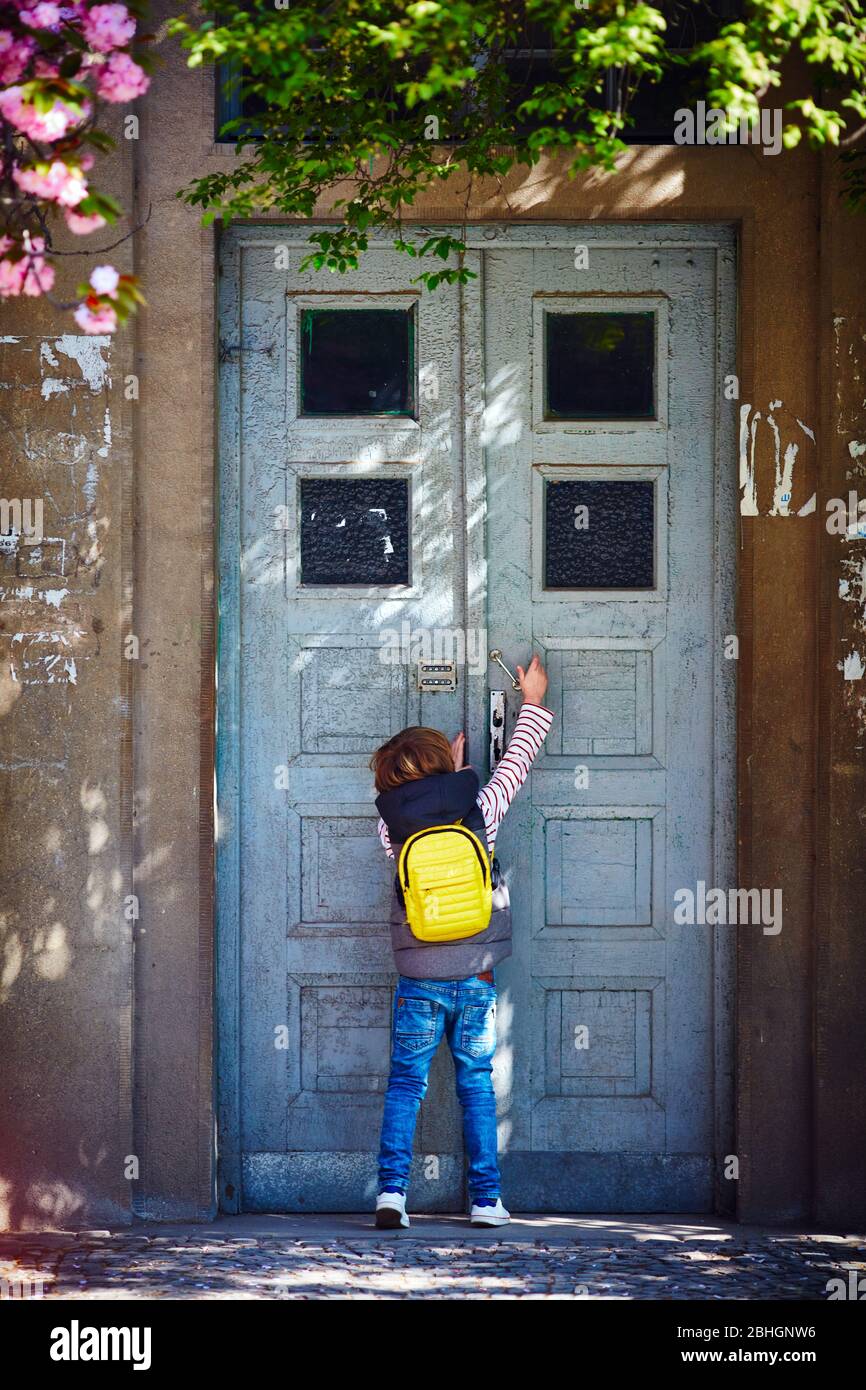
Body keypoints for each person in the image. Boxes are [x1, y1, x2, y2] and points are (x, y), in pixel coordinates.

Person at [370, 653, 553, 1228]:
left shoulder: (391, 830)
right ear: (446, 767)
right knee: (476, 1083)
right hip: (475, 975)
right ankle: (485, 1201)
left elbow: (415, 804)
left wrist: (438, 777)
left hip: (418, 980)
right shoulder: (482, 812)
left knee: (406, 1084)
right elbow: (516, 762)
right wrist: (532, 701)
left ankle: (392, 1196)